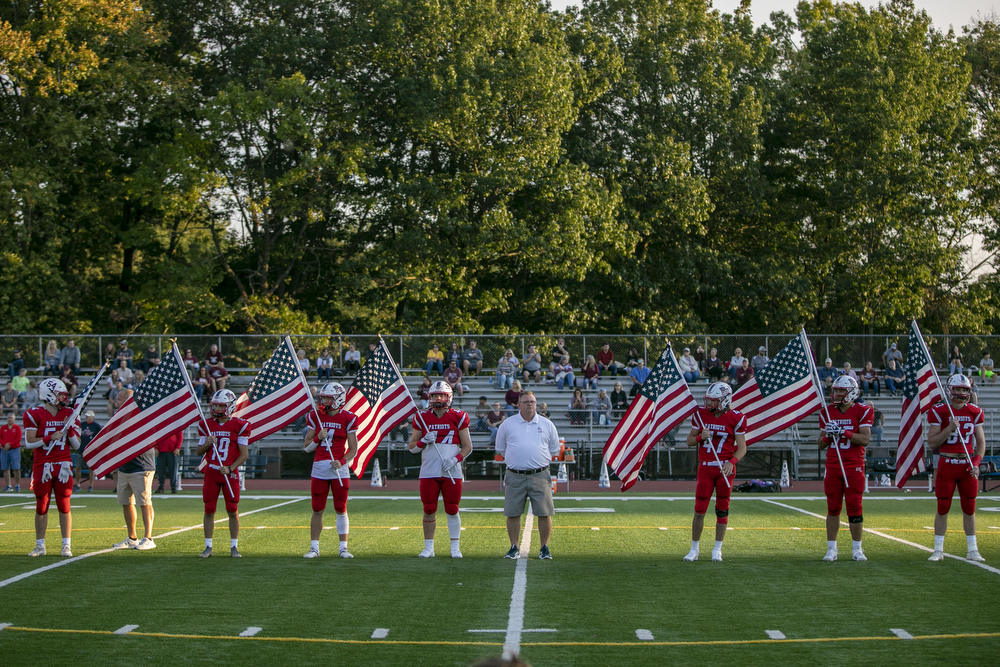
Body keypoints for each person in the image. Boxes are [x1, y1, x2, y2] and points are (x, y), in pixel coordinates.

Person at [925, 374, 986, 562]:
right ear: (951, 390)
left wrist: (976, 464)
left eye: (965, 390)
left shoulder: (975, 411)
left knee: (969, 507)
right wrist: (949, 428)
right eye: (958, 389)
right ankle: (938, 549)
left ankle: (972, 549)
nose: (961, 393)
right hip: (947, 463)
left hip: (967, 466)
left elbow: (981, 443)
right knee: (943, 506)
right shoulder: (940, 411)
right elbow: (932, 442)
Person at [683, 382, 746, 562]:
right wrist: (699, 437)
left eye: (713, 401)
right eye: (709, 401)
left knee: (722, 508)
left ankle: (717, 548)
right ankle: (694, 548)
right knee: (700, 509)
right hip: (706, 466)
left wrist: (732, 462)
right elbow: (689, 441)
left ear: (724, 400)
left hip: (724, 468)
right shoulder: (701, 415)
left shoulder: (736, 417)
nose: (709, 404)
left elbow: (742, 448)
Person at [409, 381, 473, 558]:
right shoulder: (422, 417)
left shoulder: (458, 416)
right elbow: (412, 447)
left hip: (451, 470)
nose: (438, 398)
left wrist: (455, 459)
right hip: (429, 470)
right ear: (429, 397)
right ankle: (429, 547)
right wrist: (423, 441)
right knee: (429, 508)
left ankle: (455, 547)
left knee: (452, 508)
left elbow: (467, 446)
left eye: (441, 395)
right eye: (435, 395)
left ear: (449, 397)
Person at [496, 391, 560, 560]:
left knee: (544, 512)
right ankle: (514, 547)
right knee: (513, 512)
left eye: (532, 401)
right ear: (519, 404)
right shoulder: (508, 424)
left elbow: (554, 449)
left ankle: (544, 548)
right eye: (526, 401)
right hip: (515, 475)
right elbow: (501, 448)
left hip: (540, 474)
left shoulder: (547, 424)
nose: (530, 404)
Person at [818, 376, 873, 562]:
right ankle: (831, 549)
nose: (837, 394)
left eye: (841, 391)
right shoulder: (827, 412)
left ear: (852, 392)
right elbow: (820, 444)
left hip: (854, 465)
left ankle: (857, 549)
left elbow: (865, 439)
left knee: (855, 507)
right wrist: (828, 435)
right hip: (833, 465)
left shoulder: (863, 410)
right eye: (835, 391)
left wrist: (844, 432)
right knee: (833, 508)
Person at [23, 378, 80, 557]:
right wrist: (48, 438)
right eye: (60, 394)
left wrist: (69, 429)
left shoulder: (70, 413)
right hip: (43, 464)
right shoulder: (34, 413)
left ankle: (66, 545)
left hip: (63, 463)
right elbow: (28, 442)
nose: (64, 397)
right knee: (42, 503)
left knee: (64, 503)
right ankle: (40, 545)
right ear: (49, 395)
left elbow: (77, 445)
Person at [302, 383, 358, 559]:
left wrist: (341, 461)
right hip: (319, 467)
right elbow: (306, 448)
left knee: (341, 508)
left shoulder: (348, 418)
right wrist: (318, 438)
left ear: (338, 399)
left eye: (328, 398)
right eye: (323, 397)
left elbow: (353, 450)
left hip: (339, 469)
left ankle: (343, 548)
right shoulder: (315, 416)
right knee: (317, 508)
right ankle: (314, 548)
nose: (324, 401)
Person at [197, 389, 251, 558]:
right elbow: (199, 451)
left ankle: (234, 546)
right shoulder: (206, 425)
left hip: (229, 472)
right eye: (215, 406)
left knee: (232, 508)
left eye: (220, 406)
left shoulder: (239, 425)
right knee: (209, 508)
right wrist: (207, 443)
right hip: (212, 471)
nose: (216, 409)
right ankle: (208, 546)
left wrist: (230, 468)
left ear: (229, 407)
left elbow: (244, 454)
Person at [110, 388, 157, 551]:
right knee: (126, 502)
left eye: (118, 399)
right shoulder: (118, 418)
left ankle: (149, 537)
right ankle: (132, 537)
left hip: (141, 465)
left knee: (144, 502)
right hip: (125, 466)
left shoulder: (142, 416)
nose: (116, 402)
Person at [75, 410, 101, 492]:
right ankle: (77, 484)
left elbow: (100, 436)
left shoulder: (96, 426)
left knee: (91, 468)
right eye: (86, 416)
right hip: (82, 449)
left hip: (91, 451)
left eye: (88, 416)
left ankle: (90, 485)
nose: (86, 417)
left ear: (92, 417)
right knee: (78, 467)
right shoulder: (81, 425)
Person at [154, 429, 183, 494]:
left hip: (172, 451)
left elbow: (180, 436)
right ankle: (161, 487)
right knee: (160, 471)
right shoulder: (160, 425)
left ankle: (173, 487)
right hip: (161, 451)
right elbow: (155, 437)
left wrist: (178, 447)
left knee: (173, 470)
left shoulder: (176, 425)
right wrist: (155, 448)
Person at [1, 412, 22, 492]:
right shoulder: (3, 428)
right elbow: (0, 438)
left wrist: (9, 445)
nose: (9, 419)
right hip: (5, 450)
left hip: (14, 449)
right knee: (5, 468)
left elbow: (18, 439)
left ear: (14, 419)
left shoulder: (17, 428)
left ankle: (17, 485)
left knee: (16, 468)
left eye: (11, 418)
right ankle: (8, 485)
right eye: (8, 418)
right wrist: (4, 445)